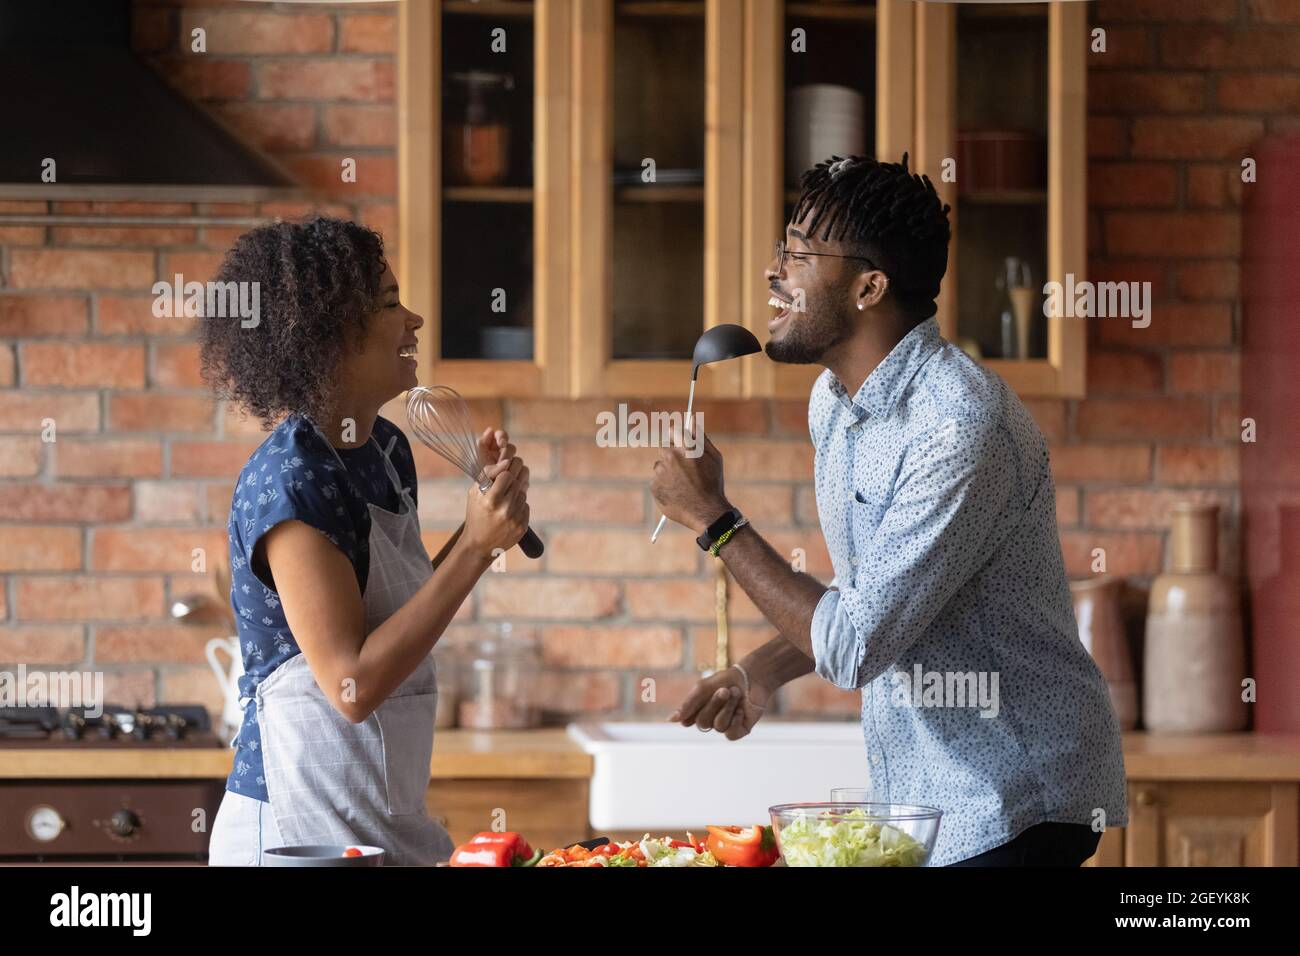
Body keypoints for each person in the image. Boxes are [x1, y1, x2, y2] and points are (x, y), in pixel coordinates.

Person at [650, 155, 1127, 867]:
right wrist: (760, 672)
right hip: (934, 799)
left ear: (869, 286)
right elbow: (868, 601)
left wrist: (716, 520)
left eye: (799, 254)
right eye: (782, 248)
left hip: (1017, 801)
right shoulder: (835, 407)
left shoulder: (960, 425)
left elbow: (853, 648)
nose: (773, 272)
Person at [202, 216, 531, 865]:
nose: (415, 319)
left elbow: (389, 619)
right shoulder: (291, 479)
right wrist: (474, 549)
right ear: (325, 334)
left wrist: (483, 527)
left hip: (377, 815)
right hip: (297, 834)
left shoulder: (384, 448)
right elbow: (351, 685)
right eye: (389, 303)